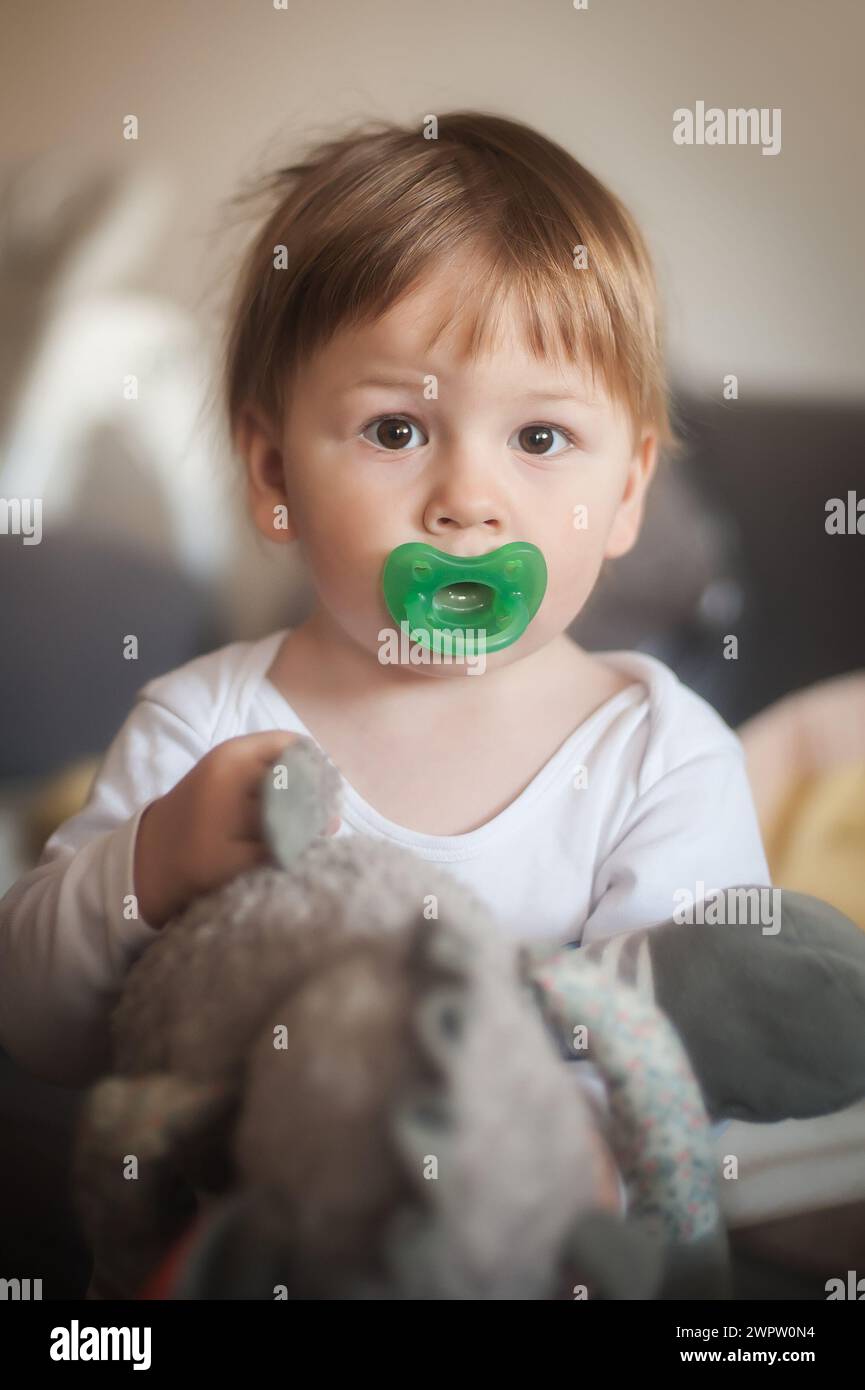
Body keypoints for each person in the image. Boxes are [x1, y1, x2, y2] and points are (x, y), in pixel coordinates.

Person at [0, 114, 769, 1175]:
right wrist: (154, 858)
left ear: (626, 490)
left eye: (540, 438)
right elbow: (34, 1024)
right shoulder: (205, 728)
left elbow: (681, 1064)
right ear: (272, 476)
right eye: (396, 430)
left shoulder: (662, 758)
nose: (468, 501)